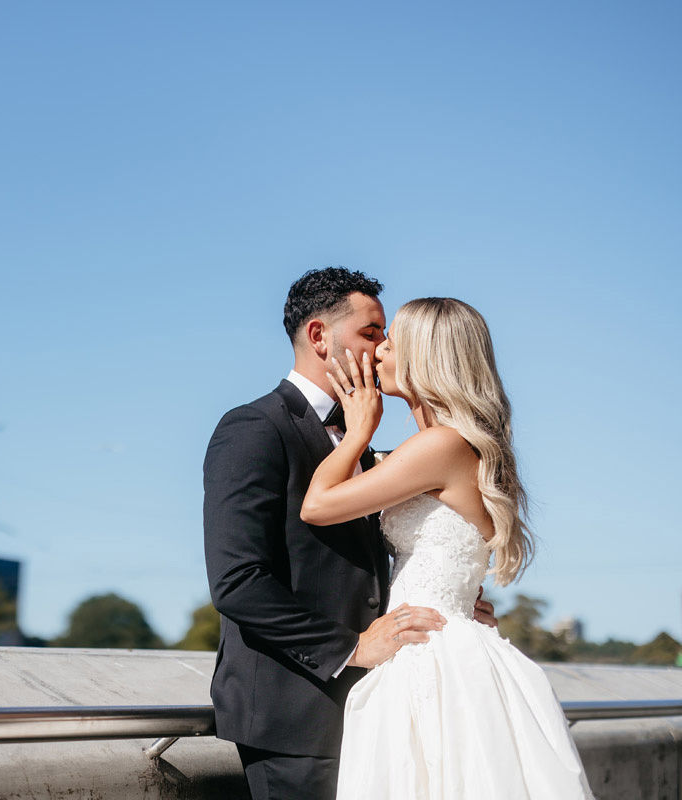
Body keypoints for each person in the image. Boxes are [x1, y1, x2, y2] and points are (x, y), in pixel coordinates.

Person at [203, 268, 495, 800]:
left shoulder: (373, 444)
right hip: (296, 716)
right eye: (371, 332)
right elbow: (237, 581)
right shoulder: (255, 429)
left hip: (382, 704)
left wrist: (452, 604)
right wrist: (352, 648)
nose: (383, 347)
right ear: (319, 336)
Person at [301, 297, 593, 798]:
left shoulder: (441, 446)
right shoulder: (457, 446)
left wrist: (358, 432)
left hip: (430, 654)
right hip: (447, 642)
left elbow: (317, 506)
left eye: (392, 343)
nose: (378, 352)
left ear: (425, 358)